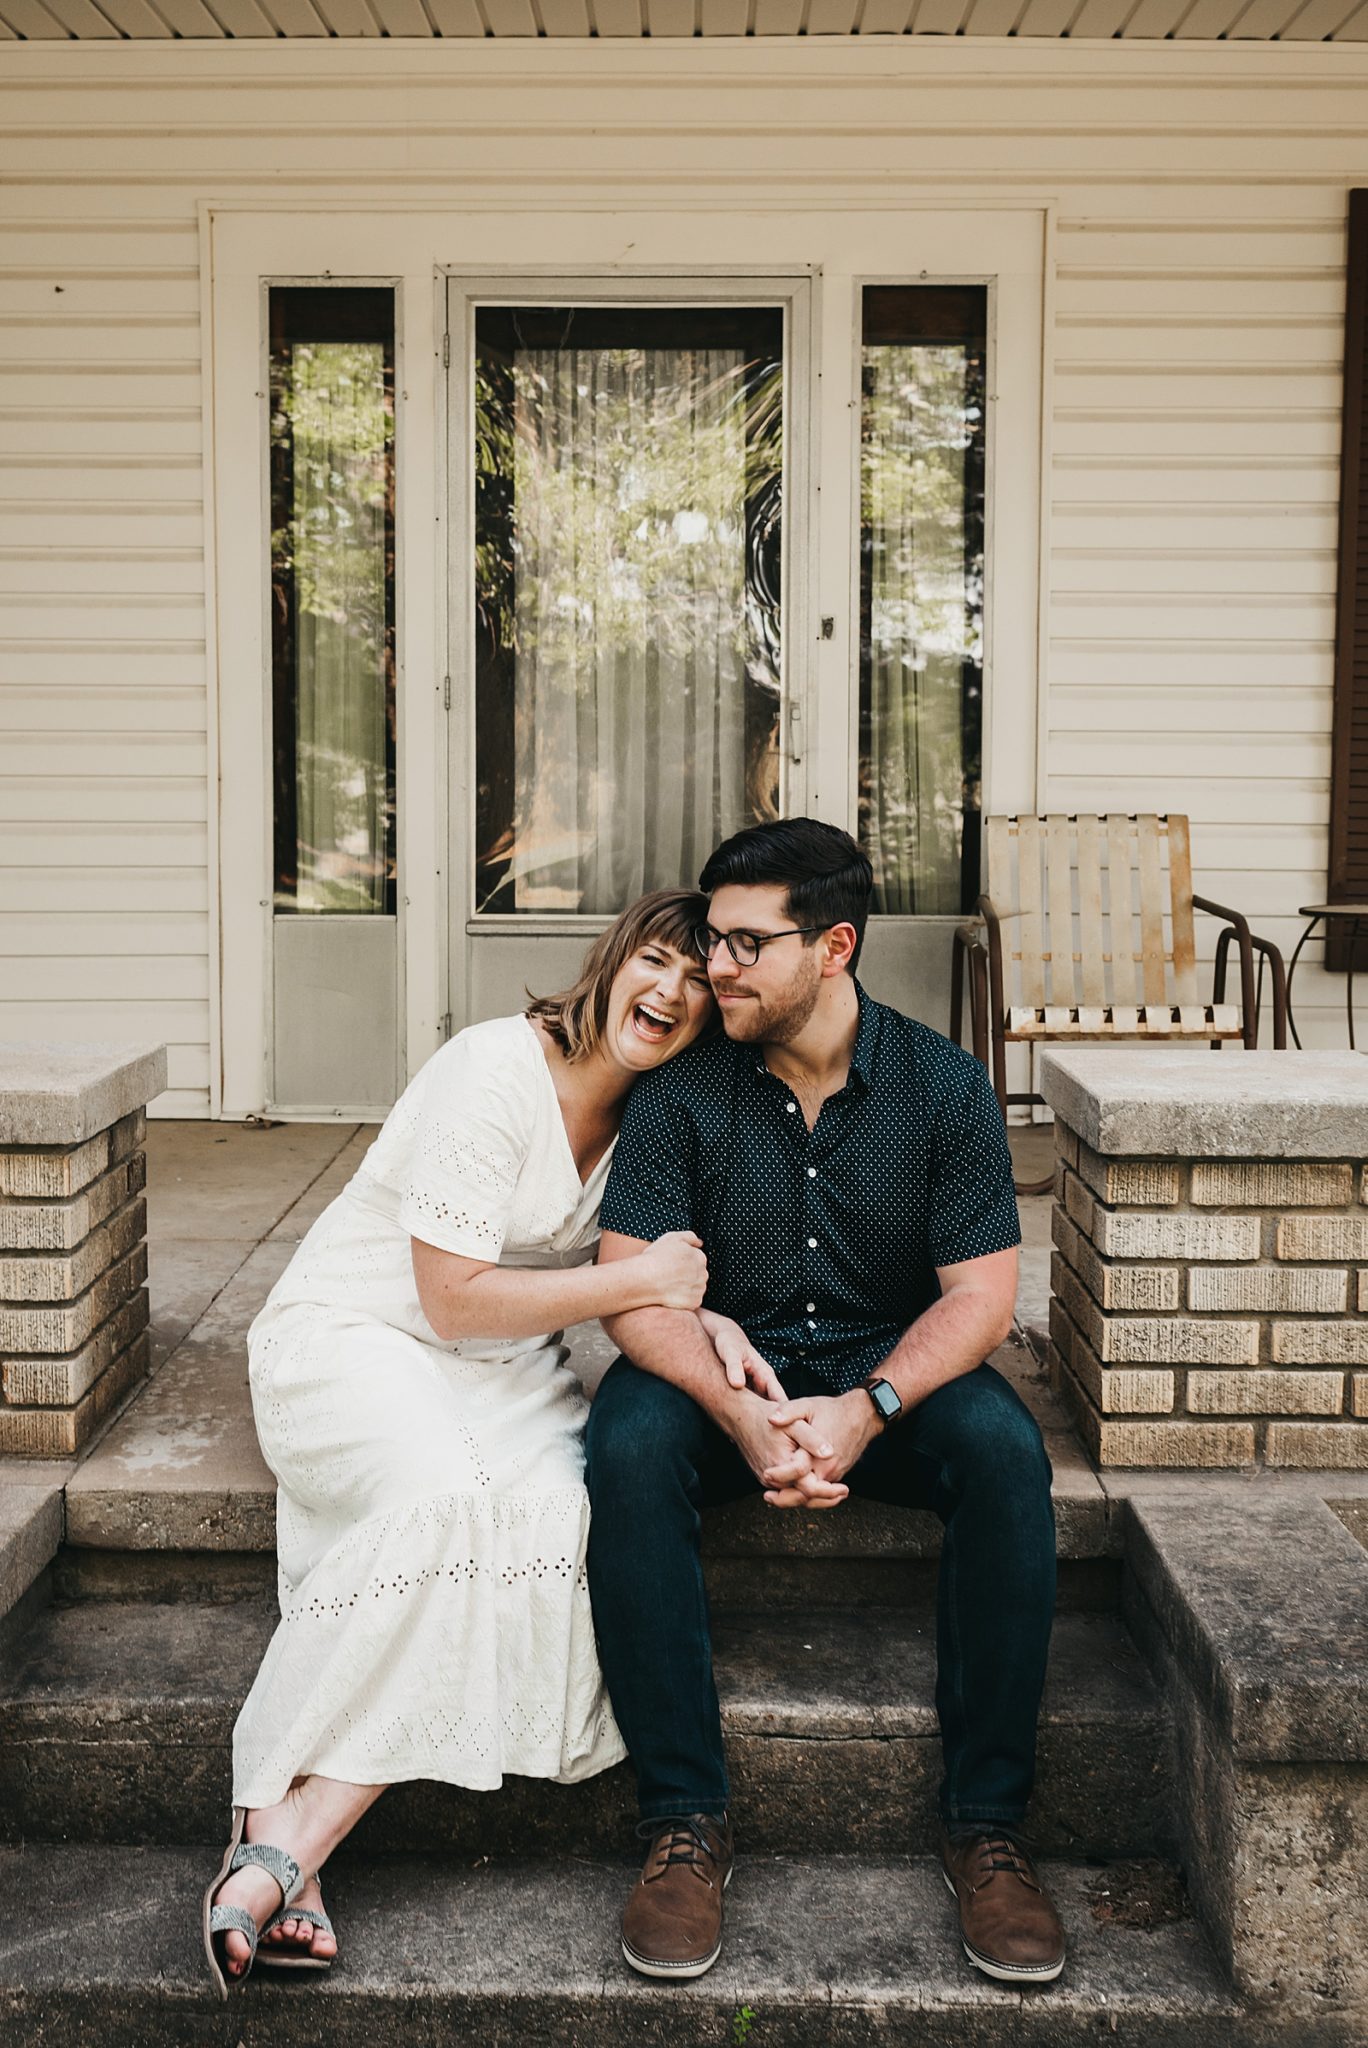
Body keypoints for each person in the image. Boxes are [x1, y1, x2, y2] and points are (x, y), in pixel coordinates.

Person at [202, 888, 774, 1997]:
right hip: (361, 1334)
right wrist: (643, 1279)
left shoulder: (652, 1118)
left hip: (508, 1373)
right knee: (438, 1502)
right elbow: (454, 1298)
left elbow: (653, 1265)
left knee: (564, 1521)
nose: (670, 992)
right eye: (656, 961)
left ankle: (291, 1841)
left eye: (699, 980)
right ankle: (276, 1831)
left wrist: (705, 1315)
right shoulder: (490, 1069)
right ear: (612, 962)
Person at [584, 818, 1064, 1988]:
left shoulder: (942, 1083)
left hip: (882, 1376)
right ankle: (683, 1822)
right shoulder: (682, 1088)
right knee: (627, 1447)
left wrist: (868, 1403)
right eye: (713, 937)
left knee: (1006, 1455)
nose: (716, 967)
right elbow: (628, 1289)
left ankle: (986, 1826)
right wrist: (743, 1415)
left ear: (835, 944)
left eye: (748, 942)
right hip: (724, 1371)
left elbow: (983, 1295)